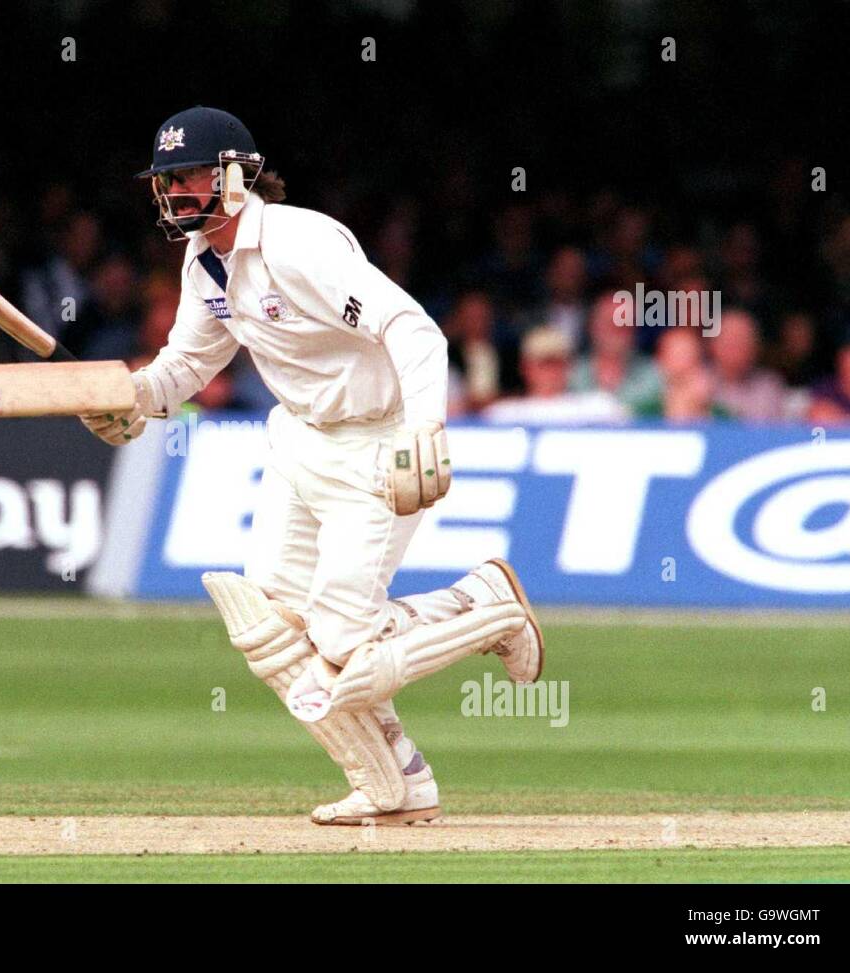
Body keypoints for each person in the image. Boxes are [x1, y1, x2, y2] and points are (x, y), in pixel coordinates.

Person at [82, 107, 542, 826]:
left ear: (234, 175)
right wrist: (134, 399)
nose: (174, 195)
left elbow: (411, 327)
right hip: (300, 442)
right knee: (278, 628)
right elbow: (190, 362)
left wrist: (425, 425)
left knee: (343, 640)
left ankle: (487, 607)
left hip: (378, 444)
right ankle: (402, 776)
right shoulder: (203, 258)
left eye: (187, 177)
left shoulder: (299, 244)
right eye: (164, 182)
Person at [484, 326, 629, 425]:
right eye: (543, 363)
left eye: (557, 362)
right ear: (525, 367)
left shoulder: (598, 406)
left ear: (569, 366)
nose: (550, 371)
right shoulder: (504, 413)